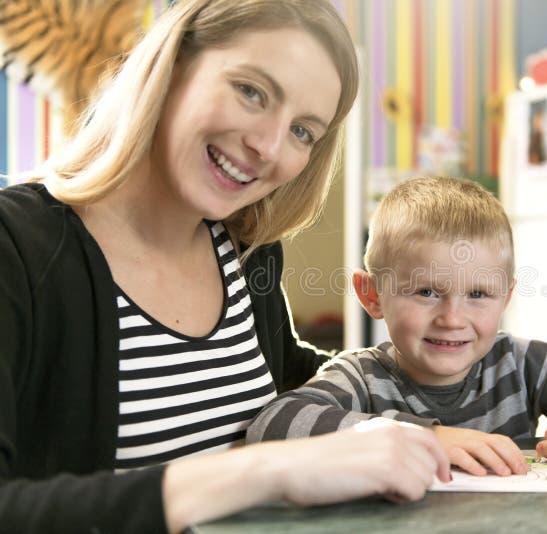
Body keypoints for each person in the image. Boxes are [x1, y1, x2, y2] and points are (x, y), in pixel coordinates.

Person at [0, 1, 451, 532]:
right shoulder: (17, 249)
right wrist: (266, 471)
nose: (267, 147)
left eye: (303, 131)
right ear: (173, 66)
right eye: (251, 92)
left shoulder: (246, 248)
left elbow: (293, 380)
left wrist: (432, 419)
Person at [248, 176, 547, 477]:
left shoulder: (525, 363)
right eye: (427, 292)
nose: (452, 318)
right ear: (373, 295)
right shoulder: (361, 377)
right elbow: (273, 425)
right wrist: (420, 439)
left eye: (478, 295)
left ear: (505, 297)